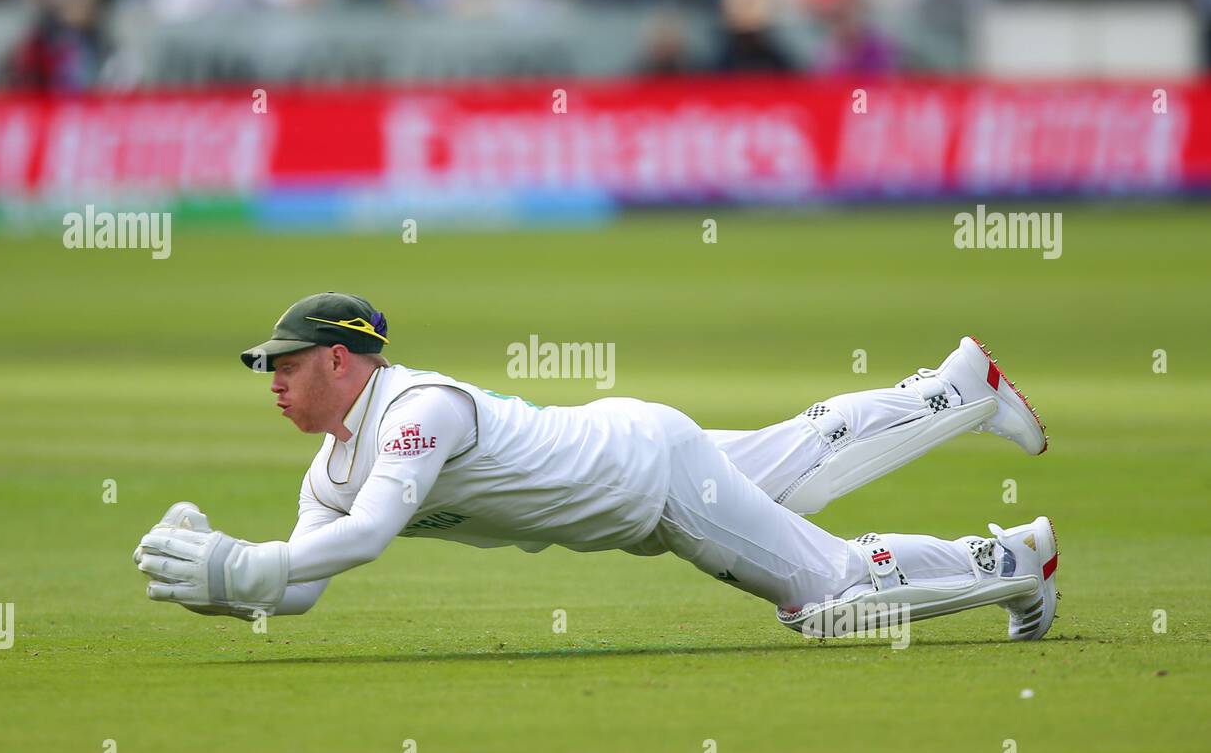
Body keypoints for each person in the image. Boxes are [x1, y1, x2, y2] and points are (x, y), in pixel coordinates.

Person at [133, 293, 1059, 641]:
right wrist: (215, 577)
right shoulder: (327, 474)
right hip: (637, 449)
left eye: (285, 366)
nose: (274, 384)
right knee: (803, 455)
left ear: (342, 360)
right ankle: (957, 390)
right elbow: (296, 591)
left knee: (826, 602)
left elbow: (368, 540)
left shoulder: (418, 410)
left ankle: (1015, 562)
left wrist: (250, 561)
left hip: (651, 484)